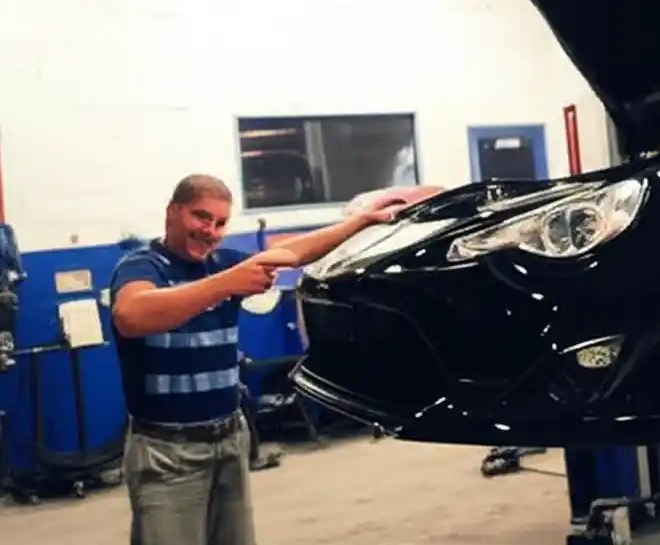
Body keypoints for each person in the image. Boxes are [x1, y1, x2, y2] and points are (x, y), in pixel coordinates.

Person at [109, 173, 427, 545]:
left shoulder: (223, 262)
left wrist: (360, 222)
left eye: (220, 223)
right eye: (200, 217)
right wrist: (227, 283)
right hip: (167, 451)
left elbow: (294, 251)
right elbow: (132, 316)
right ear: (172, 213)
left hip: (229, 440)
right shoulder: (143, 266)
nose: (210, 231)